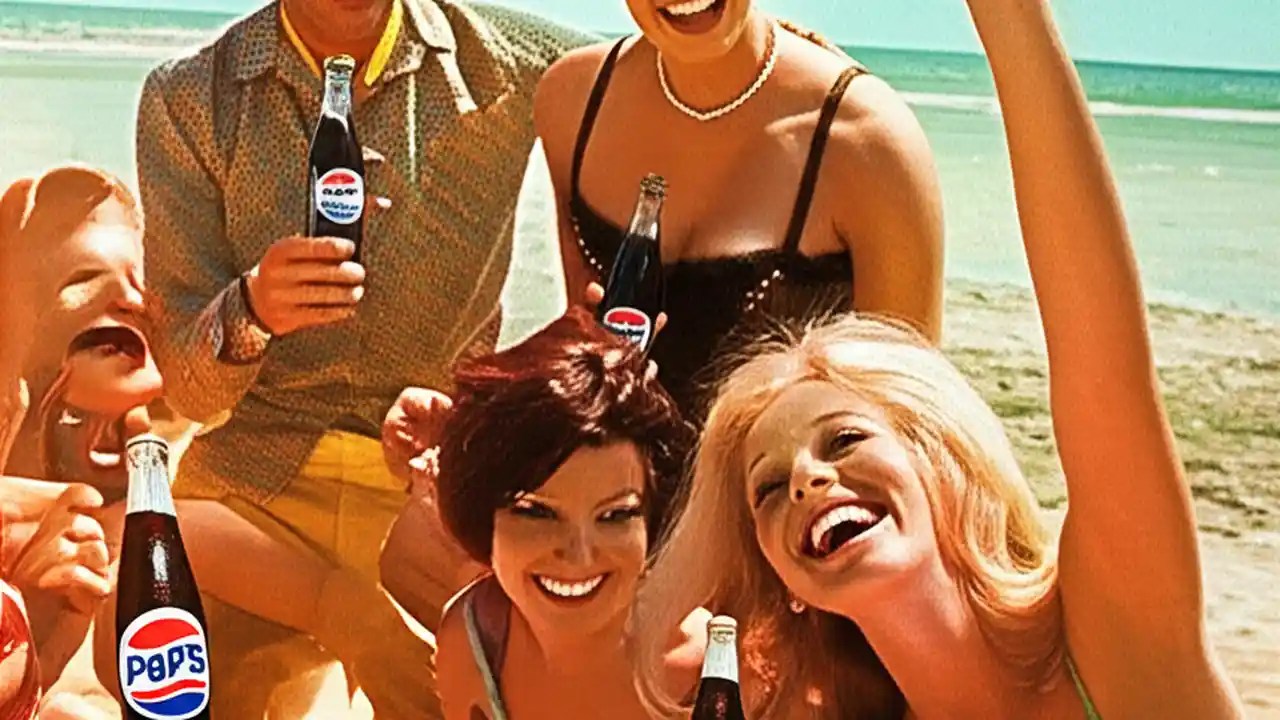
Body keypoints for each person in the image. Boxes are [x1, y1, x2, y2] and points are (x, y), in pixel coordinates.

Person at [631, 1, 1247, 718]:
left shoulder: (1114, 636)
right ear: (786, 584)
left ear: (940, 460)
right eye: (766, 491)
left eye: (846, 439)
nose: (804, 479)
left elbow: (1099, 347)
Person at [136, 0, 598, 715]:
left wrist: (773, 50)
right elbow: (189, 392)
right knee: (148, 667)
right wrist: (252, 308)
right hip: (255, 484)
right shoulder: (190, 97)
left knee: (506, 692)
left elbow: (656, 76)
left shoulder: (506, 58)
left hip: (429, 475)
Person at [534, 0, 944, 423]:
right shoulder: (572, 101)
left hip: (786, 486)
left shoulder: (867, 141)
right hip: (615, 489)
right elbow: (577, 378)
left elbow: (910, 424)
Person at [415, 307, 704, 719]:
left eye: (615, 516)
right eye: (537, 513)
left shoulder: (717, 672)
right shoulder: (474, 640)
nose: (579, 555)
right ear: (482, 515)